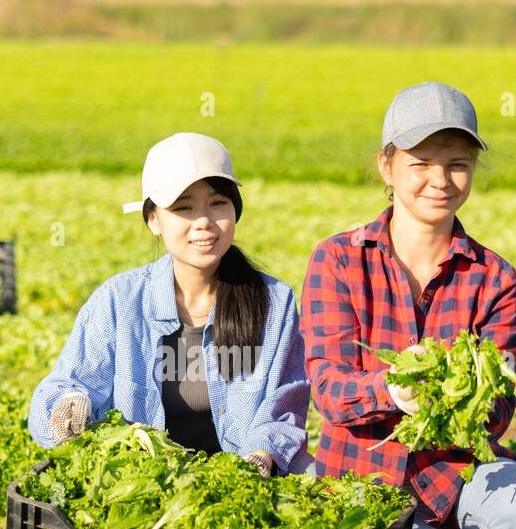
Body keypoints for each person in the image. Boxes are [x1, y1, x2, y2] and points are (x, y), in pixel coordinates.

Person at [300, 82, 516, 529]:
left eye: (458, 164)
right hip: (372, 491)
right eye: (421, 162)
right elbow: (327, 387)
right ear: (387, 167)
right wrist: (390, 390)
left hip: (458, 478)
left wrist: (455, 390)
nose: (440, 181)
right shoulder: (339, 260)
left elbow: (497, 412)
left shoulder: (495, 279)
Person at [29, 132, 315, 476]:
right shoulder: (119, 301)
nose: (204, 222)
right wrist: (68, 406)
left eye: (218, 203)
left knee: (308, 474)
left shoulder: (274, 303)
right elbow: (64, 386)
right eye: (183, 208)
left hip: (241, 482)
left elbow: (283, 410)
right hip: (143, 483)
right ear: (153, 220)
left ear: (235, 210)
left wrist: (257, 461)